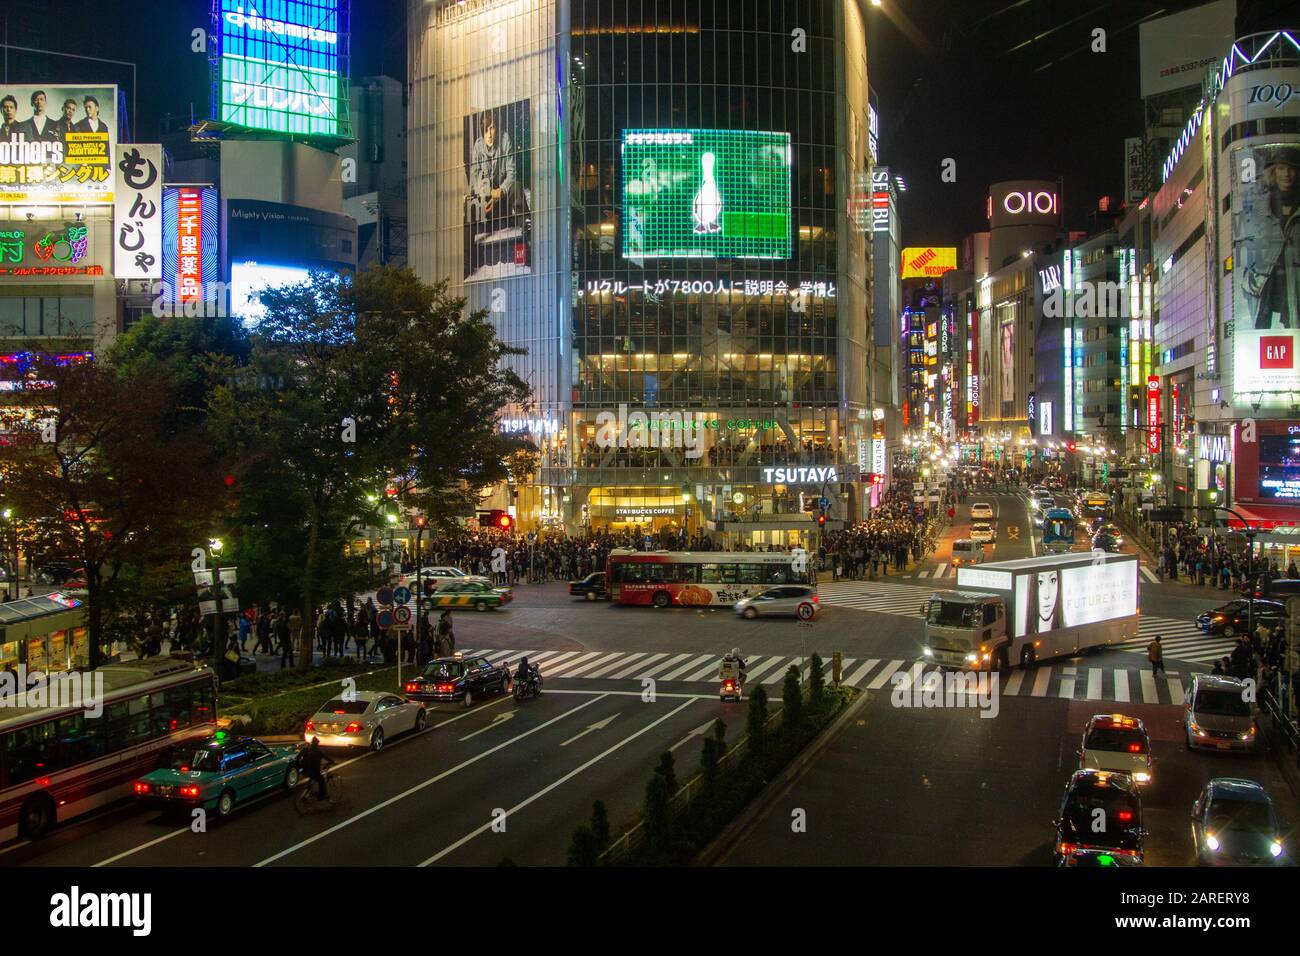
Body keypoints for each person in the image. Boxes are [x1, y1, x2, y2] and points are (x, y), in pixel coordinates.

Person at [301, 737, 335, 801]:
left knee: (312, 778)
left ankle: (309, 791)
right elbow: (326, 757)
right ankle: (321, 796)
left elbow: (299, 757)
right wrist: (332, 761)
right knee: (321, 780)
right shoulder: (317, 751)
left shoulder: (306, 749)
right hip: (313, 770)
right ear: (316, 744)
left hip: (304, 769)